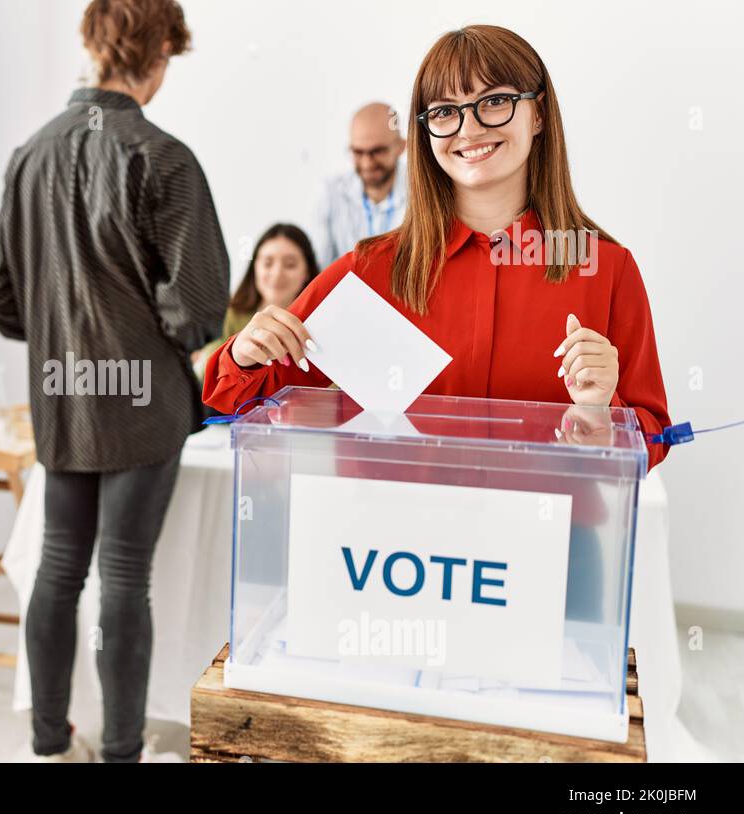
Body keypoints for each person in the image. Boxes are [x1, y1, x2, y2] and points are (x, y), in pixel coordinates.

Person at [206, 24, 674, 625]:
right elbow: (235, 397)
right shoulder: (370, 271)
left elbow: (652, 435)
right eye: (446, 112)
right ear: (425, 133)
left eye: (495, 101)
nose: (470, 129)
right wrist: (245, 352)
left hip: (552, 558)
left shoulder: (605, 268)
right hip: (389, 559)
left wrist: (600, 414)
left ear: (538, 116)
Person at [0, 0, 229, 762]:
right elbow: (199, 307)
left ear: (91, 47)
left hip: (63, 397)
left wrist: (69, 337)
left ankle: (50, 745)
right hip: (144, 404)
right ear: (157, 54)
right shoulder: (164, 157)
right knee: (124, 574)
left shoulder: (29, 153)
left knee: (59, 567)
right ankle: (122, 750)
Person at [191, 223, 318, 380]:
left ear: (307, 271)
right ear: (255, 267)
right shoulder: (230, 314)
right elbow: (202, 370)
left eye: (290, 264)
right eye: (267, 263)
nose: (277, 273)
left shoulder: (320, 320)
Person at [312, 102, 408, 267]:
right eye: (358, 152)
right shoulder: (330, 192)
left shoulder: (425, 190)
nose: (367, 163)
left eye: (377, 151)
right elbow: (318, 265)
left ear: (401, 146)